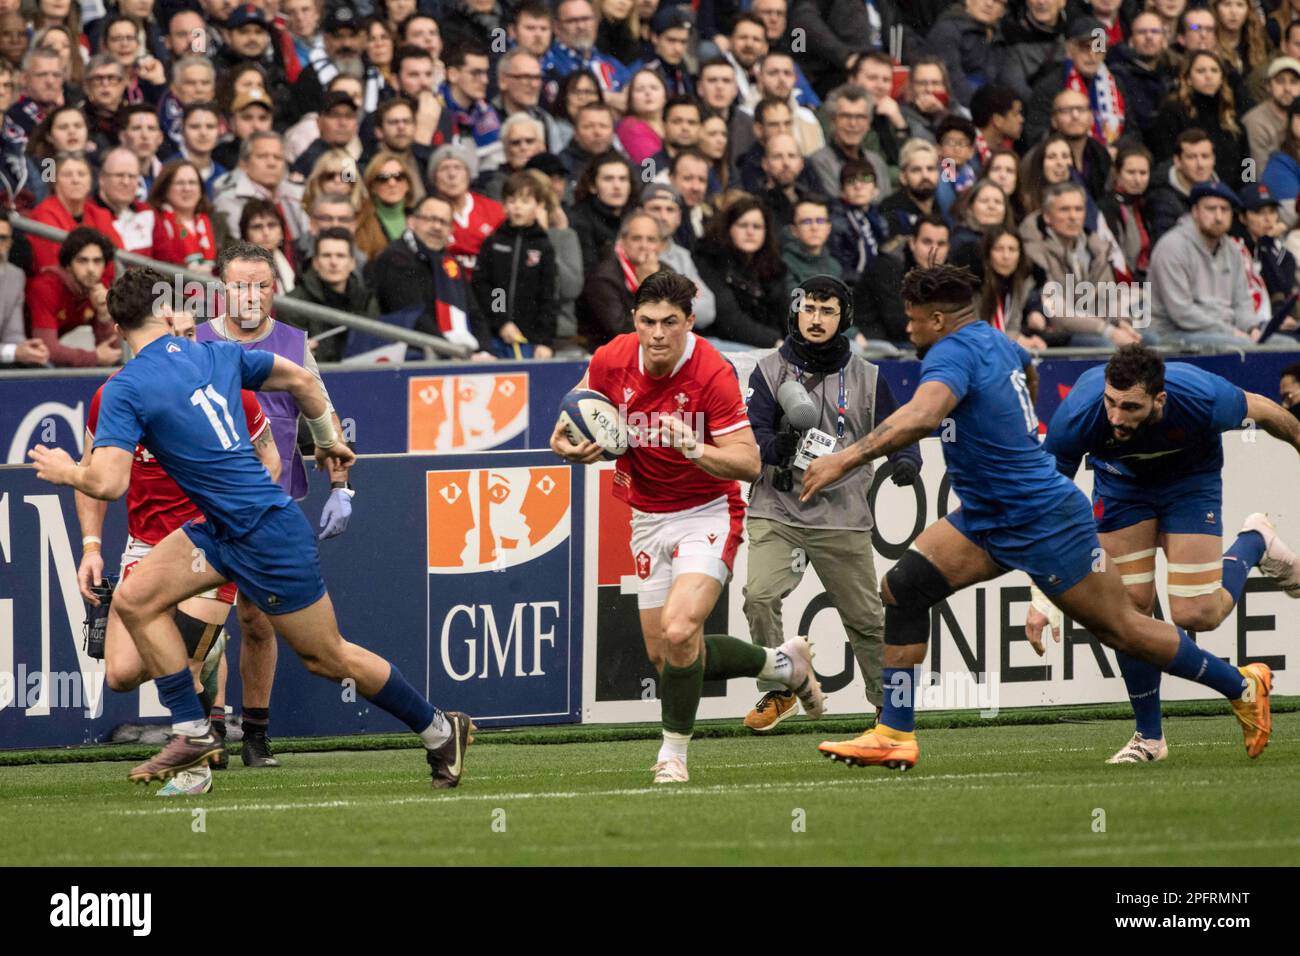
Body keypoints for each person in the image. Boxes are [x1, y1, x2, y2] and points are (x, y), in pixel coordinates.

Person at [801, 264, 1273, 771]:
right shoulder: (994, 340)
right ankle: (895, 731)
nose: (907, 329)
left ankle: (1242, 685)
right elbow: (1027, 369)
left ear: (937, 319)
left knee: (1125, 629)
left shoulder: (951, 353)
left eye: (913, 320)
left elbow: (923, 416)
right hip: (986, 517)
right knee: (903, 588)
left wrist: (842, 459)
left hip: (1043, 518)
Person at [28, 261, 475, 790]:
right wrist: (328, 438)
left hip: (263, 529)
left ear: (117, 325)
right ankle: (194, 731)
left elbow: (106, 483)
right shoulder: (214, 353)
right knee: (134, 597)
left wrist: (65, 470)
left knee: (327, 656)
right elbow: (304, 380)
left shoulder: (126, 386)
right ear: (166, 313)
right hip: (221, 527)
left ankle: (438, 728)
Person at [550, 269, 824, 784]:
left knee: (680, 631)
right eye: (648, 321)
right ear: (634, 319)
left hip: (708, 512)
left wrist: (695, 448)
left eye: (670, 323)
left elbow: (747, 463)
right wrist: (568, 448)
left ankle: (672, 755)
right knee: (668, 655)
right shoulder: (611, 357)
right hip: (646, 517)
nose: (657, 334)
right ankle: (784, 665)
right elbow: (568, 422)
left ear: (689, 322)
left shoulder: (711, 372)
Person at [1028, 345, 1300, 764]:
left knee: (1198, 615)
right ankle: (1149, 738)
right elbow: (1045, 509)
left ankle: (1255, 540)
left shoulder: (1202, 397)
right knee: (1128, 613)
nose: (1116, 417)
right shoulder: (1078, 416)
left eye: (1130, 406)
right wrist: (1042, 598)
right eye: (1111, 403)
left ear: (1160, 400)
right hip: (1122, 489)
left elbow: (1266, 410)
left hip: (1190, 483)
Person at [75, 307, 281, 794]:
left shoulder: (224, 383)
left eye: (193, 333)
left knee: (184, 662)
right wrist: (90, 547)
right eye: (177, 333)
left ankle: (196, 771)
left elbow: (269, 456)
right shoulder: (115, 395)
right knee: (122, 674)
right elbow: (91, 476)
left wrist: (239, 518)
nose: (186, 342)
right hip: (146, 547)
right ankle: (210, 653)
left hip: (207, 544)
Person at [741, 275, 918, 730]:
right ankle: (782, 689)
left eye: (828, 311)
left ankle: (888, 708)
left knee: (864, 618)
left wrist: (906, 459)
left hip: (841, 512)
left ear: (844, 318)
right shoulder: (767, 370)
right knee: (759, 597)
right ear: (795, 312)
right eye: (810, 309)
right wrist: (772, 445)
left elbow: (900, 427)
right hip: (777, 506)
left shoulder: (868, 375)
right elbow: (749, 433)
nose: (816, 319)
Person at [367, 192, 494, 356]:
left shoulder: (450, 262)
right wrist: (458, 354)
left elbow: (474, 313)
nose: (437, 227)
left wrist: (484, 350)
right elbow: (412, 317)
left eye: (443, 222)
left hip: (458, 355)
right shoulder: (395, 258)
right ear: (411, 222)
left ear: (451, 229)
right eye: (430, 219)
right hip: (414, 357)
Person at [1149, 180, 1262, 347]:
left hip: (1225, 331)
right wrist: (1230, 332)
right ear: (1195, 212)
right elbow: (1181, 312)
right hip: (1174, 333)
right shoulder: (1172, 246)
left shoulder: (1232, 249)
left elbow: (1242, 302)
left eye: (1224, 210)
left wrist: (1252, 328)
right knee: (1239, 346)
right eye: (1210, 209)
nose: (1218, 217)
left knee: (1286, 345)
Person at [471, 171, 557, 358]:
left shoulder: (543, 245)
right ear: (504, 205)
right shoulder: (493, 242)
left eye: (525, 201)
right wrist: (502, 322)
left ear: (539, 206)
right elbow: (491, 286)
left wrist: (544, 341)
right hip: (497, 335)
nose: (517, 207)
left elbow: (547, 296)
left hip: (530, 339)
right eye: (512, 200)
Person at [694, 194, 787, 348]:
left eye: (757, 227)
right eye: (743, 225)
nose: (750, 232)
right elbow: (727, 318)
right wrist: (775, 342)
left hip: (765, 343)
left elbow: (784, 311)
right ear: (729, 228)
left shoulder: (772, 266)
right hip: (722, 343)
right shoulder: (711, 259)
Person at [26, 226, 121, 368]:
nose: (91, 269)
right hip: (19, 349)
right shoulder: (46, 286)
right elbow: (45, 349)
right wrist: (94, 357)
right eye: (82, 261)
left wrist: (104, 314)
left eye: (97, 261)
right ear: (68, 265)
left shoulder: (98, 287)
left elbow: (113, 352)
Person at [287, 227, 377, 362]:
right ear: (315, 263)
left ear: (352, 263)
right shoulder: (293, 303)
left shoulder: (366, 299)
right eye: (326, 255)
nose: (333, 262)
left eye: (340, 256)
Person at [576, 207, 658, 346]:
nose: (644, 246)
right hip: (612, 355)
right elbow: (623, 331)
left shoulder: (665, 270)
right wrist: (647, 287)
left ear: (659, 245)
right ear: (622, 240)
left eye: (650, 240)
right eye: (636, 238)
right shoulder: (603, 278)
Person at [0, 216, 47, 366]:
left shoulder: (15, 276)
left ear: (9, 244)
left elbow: (13, 334)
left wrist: (27, 349)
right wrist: (13, 352)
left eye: (2, 238)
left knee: (39, 367)